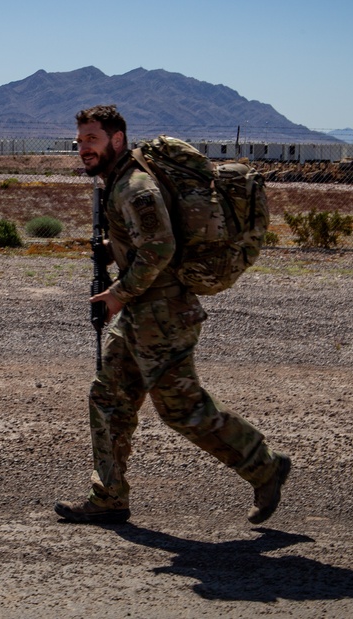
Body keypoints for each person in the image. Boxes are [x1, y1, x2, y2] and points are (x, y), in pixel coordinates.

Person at [55, 104, 290, 525]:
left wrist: (118, 293)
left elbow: (160, 248)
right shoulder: (121, 180)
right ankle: (108, 496)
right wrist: (115, 250)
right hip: (139, 314)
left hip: (162, 315)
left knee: (182, 409)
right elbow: (152, 240)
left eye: (92, 139)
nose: (83, 148)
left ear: (117, 139)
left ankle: (264, 466)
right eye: (80, 141)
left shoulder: (135, 186)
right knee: (108, 398)